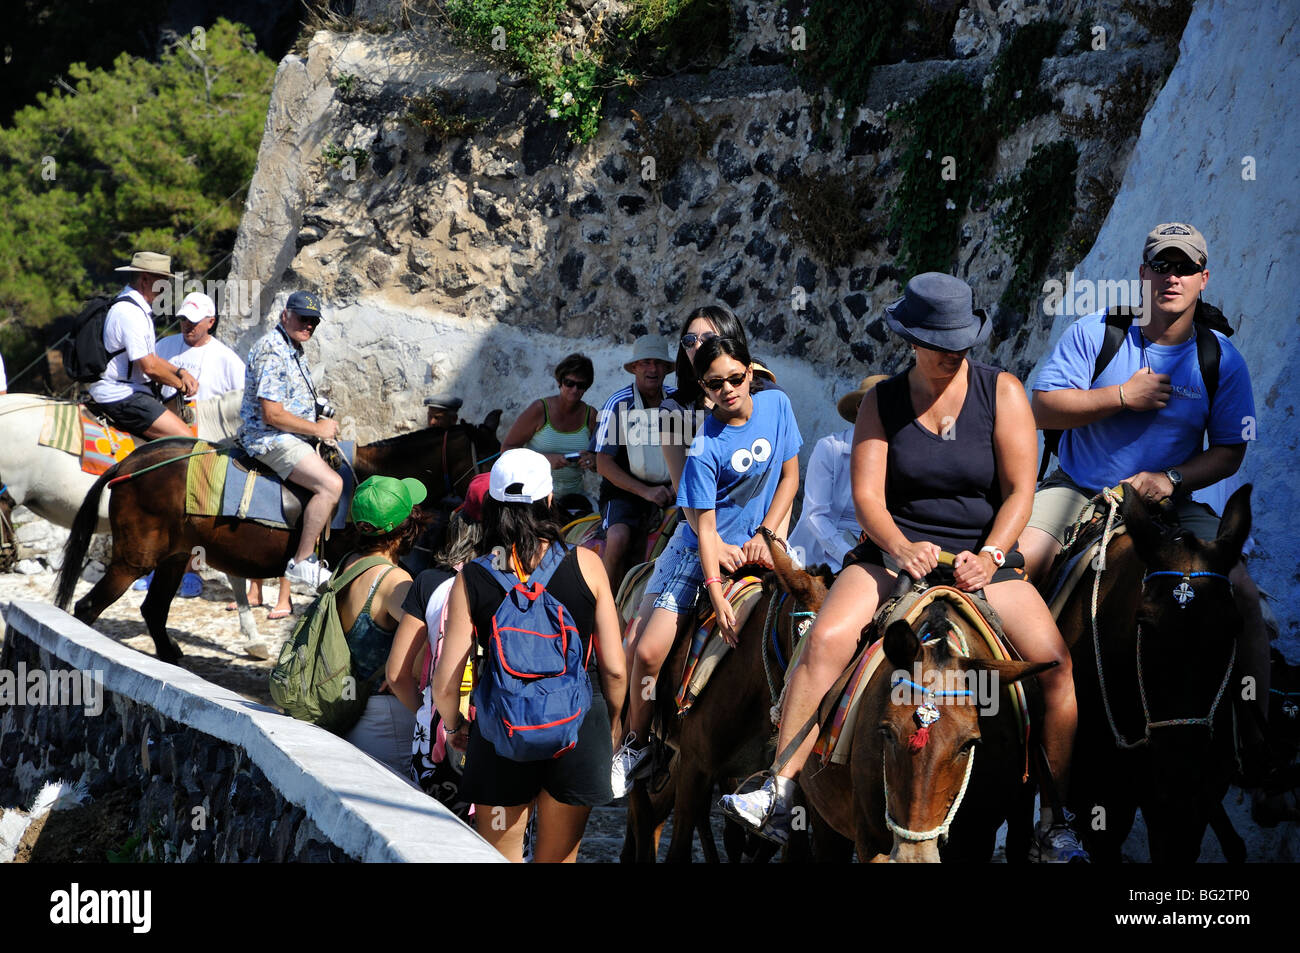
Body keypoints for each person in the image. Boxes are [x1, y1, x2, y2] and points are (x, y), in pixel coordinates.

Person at [722, 273, 1088, 862]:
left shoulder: (1005, 392)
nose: (953, 355)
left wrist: (992, 552)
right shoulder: (882, 401)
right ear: (912, 340)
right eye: (941, 344)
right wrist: (898, 546)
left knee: (1056, 665)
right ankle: (780, 790)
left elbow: (1022, 489)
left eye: (961, 344)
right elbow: (867, 496)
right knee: (825, 641)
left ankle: (1055, 815)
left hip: (981, 559)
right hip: (893, 557)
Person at [1018, 222, 1269, 736]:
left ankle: (1254, 738)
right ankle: (1008, 723)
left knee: (1242, 593)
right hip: (1080, 490)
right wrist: (1120, 397)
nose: (1171, 277)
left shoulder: (1220, 358)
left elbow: (1229, 451)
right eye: (1161, 265)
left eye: (1184, 267)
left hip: (1169, 502)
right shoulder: (1098, 332)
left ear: (1203, 278)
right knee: (1016, 572)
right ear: (1142, 274)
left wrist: (1173, 477)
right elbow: (1041, 408)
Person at [612, 335, 802, 797]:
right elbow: (704, 527)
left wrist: (768, 536)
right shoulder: (703, 446)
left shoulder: (778, 406)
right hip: (703, 545)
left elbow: (790, 479)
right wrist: (717, 593)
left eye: (737, 379)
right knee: (650, 650)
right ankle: (637, 744)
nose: (730, 390)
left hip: (766, 541)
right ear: (703, 387)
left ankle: (801, 760)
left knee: (814, 627)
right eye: (716, 385)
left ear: (751, 372)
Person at [433, 449, 627, 862]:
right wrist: (609, 724)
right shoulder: (588, 564)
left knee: (498, 856)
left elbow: (447, 679)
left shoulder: (474, 575)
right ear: (550, 501)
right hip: (575, 725)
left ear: (493, 506)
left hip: (502, 727)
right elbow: (613, 667)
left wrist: (454, 729)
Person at [387, 471, 490, 807]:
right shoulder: (529, 585)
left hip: (439, 740)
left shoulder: (429, 582)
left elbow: (397, 675)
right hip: (505, 734)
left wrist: (428, 713)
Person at [237, 291, 341, 589]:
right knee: (331, 484)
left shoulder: (291, 347)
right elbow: (272, 414)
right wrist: (317, 429)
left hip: (288, 433)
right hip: (269, 437)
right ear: (285, 315)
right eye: (302, 318)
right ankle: (302, 561)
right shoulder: (273, 350)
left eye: (313, 322)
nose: (308, 325)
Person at [336, 475, 422, 776]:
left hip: (349, 711)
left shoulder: (348, 563)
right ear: (403, 530)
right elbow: (419, 653)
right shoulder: (396, 582)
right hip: (387, 721)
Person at [591, 333, 677, 596]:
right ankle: (602, 605)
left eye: (659, 363)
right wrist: (646, 492)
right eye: (646, 363)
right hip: (624, 492)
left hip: (672, 490)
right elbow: (602, 463)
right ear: (635, 367)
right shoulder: (618, 404)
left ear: (666, 369)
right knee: (618, 539)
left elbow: (690, 451)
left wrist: (674, 489)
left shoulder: (678, 401)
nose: (653, 369)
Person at [87, 251, 198, 440]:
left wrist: (180, 372)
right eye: (162, 281)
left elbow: (151, 359)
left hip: (128, 391)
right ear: (145, 280)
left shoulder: (133, 308)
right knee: (186, 440)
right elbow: (150, 367)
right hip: (122, 394)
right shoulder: (130, 313)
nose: (165, 288)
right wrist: (179, 385)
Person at [787, 375, 887, 573]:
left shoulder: (898, 458)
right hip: (814, 556)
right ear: (860, 408)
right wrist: (850, 556)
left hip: (871, 556)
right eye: (877, 405)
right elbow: (815, 515)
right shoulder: (830, 448)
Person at [499, 353, 598, 515]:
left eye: (581, 385)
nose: (574, 389)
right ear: (559, 382)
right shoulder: (540, 410)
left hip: (574, 497)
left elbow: (602, 460)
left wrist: (592, 461)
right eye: (569, 383)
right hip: (534, 496)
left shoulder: (591, 415)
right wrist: (544, 460)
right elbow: (507, 449)